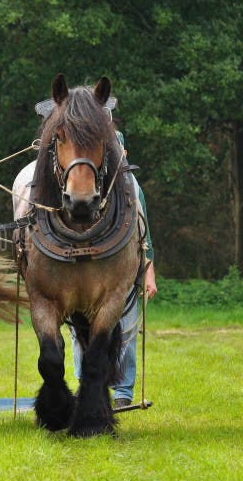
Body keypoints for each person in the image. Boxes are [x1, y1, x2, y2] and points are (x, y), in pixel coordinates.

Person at [11, 130, 157, 409]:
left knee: (123, 329)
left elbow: (145, 230)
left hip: (115, 243)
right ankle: (73, 391)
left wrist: (147, 268)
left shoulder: (120, 163)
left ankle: (121, 390)